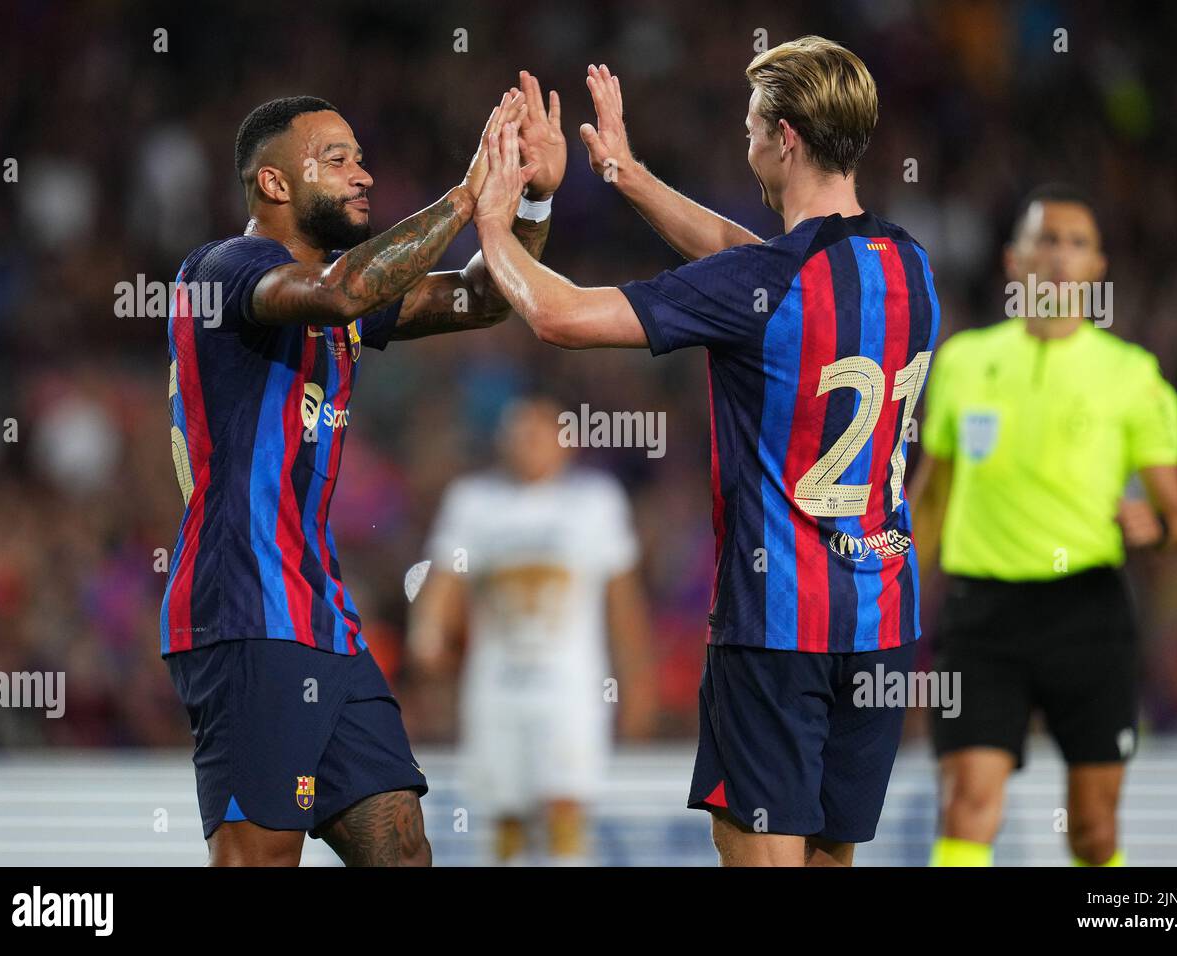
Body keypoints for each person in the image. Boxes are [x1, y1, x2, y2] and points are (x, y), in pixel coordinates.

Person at [471, 38, 940, 866]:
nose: (745, 139)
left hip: (776, 629)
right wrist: (625, 172)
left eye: (753, 125)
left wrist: (493, 223)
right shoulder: (912, 264)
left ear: (786, 137)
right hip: (879, 624)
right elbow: (752, 265)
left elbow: (560, 316)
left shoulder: (766, 283)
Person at [161, 73, 568, 866]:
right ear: (273, 182)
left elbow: (482, 300)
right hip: (244, 604)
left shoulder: (338, 285)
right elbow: (342, 292)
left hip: (318, 613)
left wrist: (528, 201)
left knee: (401, 847)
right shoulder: (226, 270)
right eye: (338, 159)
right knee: (260, 858)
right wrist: (462, 197)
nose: (365, 175)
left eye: (361, 158)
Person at [909, 184, 1177, 867]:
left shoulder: (1132, 376)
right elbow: (932, 499)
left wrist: (1157, 525)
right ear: (1014, 260)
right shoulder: (963, 363)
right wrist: (890, 597)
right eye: (1045, 239)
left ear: (1097, 268)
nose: (1059, 255)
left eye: (1076, 243)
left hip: (1086, 613)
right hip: (982, 614)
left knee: (1092, 831)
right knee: (968, 805)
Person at [409, 394, 655, 865]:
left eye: (541, 433)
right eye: (520, 433)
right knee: (504, 813)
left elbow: (623, 602)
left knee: (565, 807)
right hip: (495, 683)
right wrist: (429, 633)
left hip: (572, 685)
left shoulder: (595, 502)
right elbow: (446, 578)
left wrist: (638, 680)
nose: (530, 444)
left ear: (567, 442)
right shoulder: (474, 501)